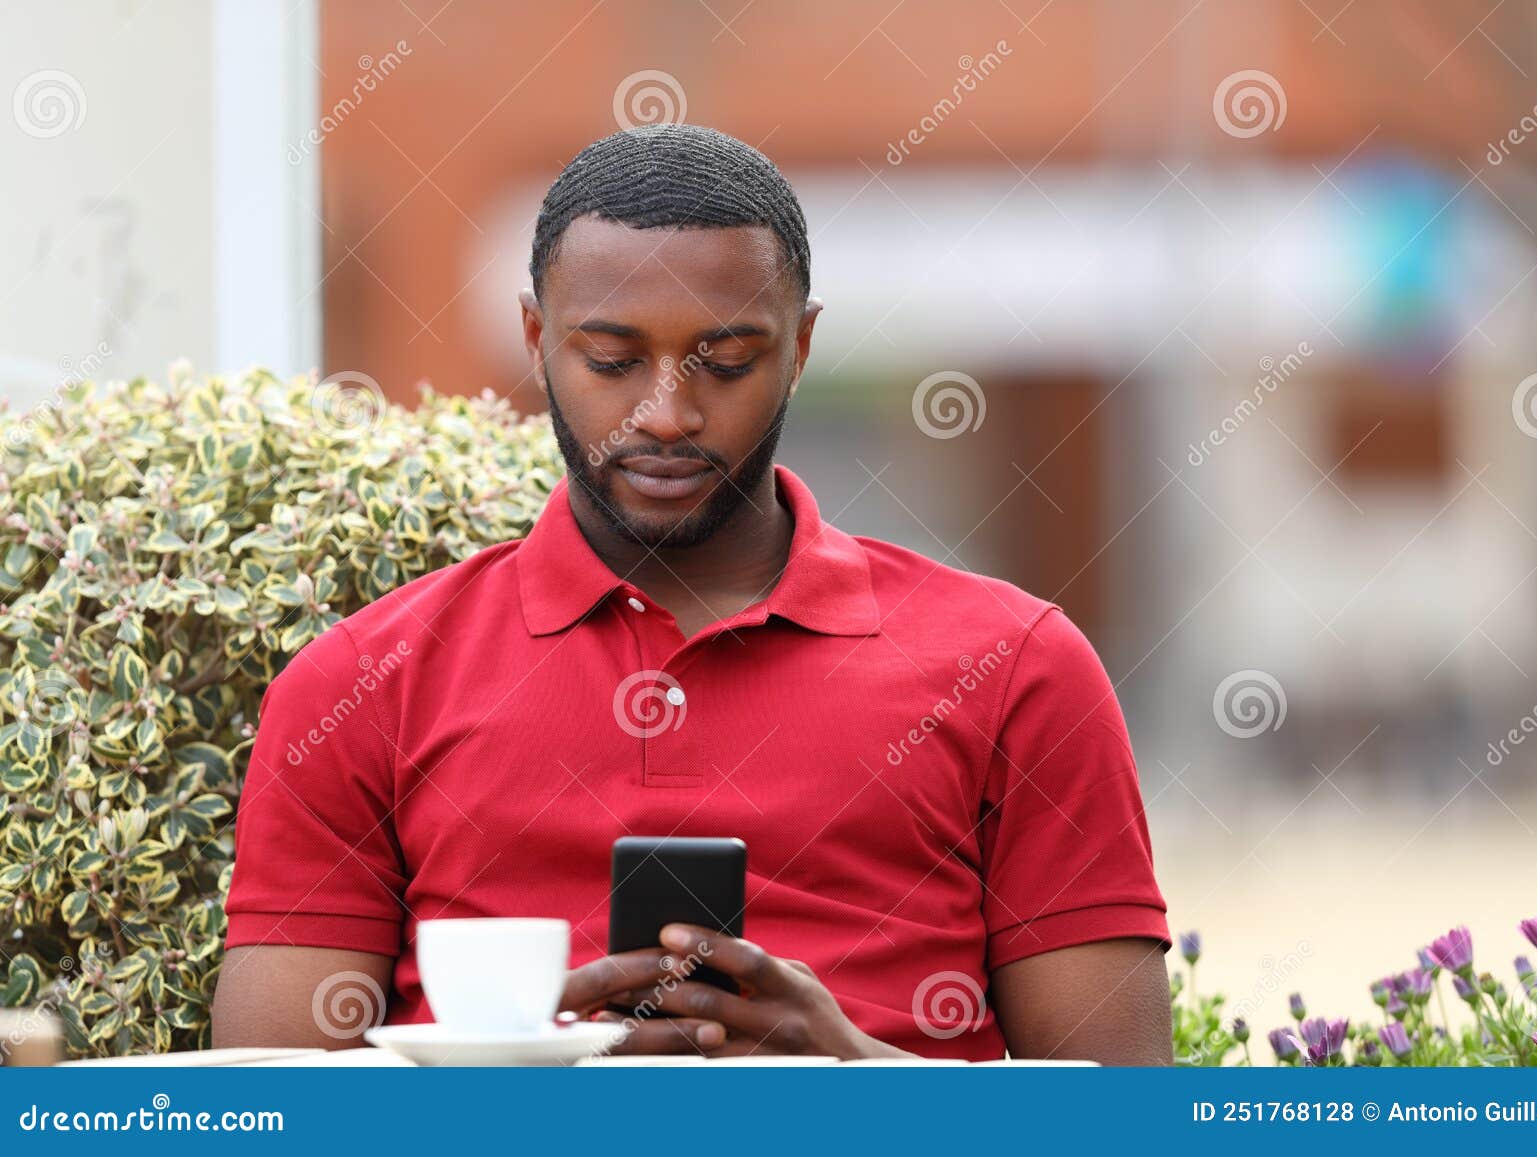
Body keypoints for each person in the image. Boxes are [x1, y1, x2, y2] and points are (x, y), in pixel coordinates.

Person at [211, 124, 1173, 1063]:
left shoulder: (1011, 666)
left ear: (799, 349)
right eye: (612, 360)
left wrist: (856, 1075)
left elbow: (1123, 1124)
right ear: (537, 340)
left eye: (725, 362)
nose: (665, 413)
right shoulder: (361, 683)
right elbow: (268, 1119)